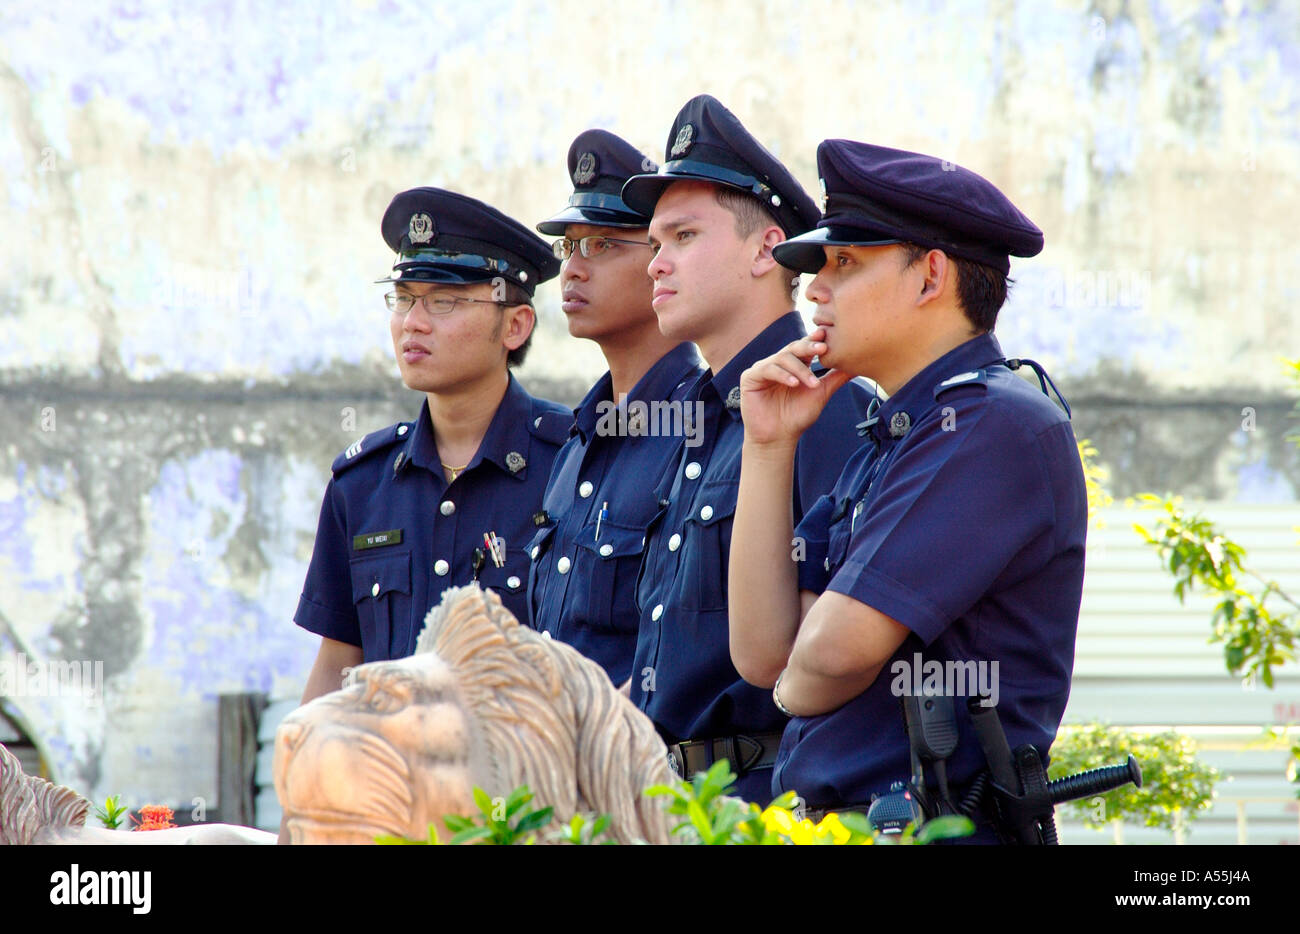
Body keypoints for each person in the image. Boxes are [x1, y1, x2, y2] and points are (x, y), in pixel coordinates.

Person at [728, 138, 1087, 842]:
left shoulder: (991, 423)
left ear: (930, 277)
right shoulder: (891, 436)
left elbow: (827, 656)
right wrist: (767, 446)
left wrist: (801, 679)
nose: (813, 290)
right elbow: (768, 654)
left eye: (845, 264)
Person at [617, 96, 873, 802]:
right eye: (654, 243)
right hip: (662, 800)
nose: (655, 265)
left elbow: (832, 663)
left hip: (764, 803)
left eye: (683, 237)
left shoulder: (825, 405)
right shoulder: (687, 418)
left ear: (767, 250)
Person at [293, 187, 572, 705]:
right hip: (392, 781)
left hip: (520, 784)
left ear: (515, 324)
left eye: (443, 301)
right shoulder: (362, 486)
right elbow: (338, 664)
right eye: (403, 299)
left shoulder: (573, 467)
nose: (412, 323)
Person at [527, 129, 704, 685]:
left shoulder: (703, 431)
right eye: (569, 247)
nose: (572, 270)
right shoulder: (577, 441)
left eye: (601, 245)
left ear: (661, 258)